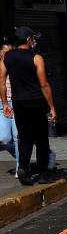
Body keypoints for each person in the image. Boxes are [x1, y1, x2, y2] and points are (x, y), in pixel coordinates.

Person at [0, 27, 56, 186]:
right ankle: (43, 173)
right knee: (41, 139)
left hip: (19, 103)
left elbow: (2, 82)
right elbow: (44, 84)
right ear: (28, 40)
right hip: (36, 102)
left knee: (24, 138)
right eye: (33, 38)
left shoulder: (7, 57)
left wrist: (5, 103)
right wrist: (52, 107)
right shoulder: (36, 58)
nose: (34, 41)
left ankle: (23, 169)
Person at [0, 37, 18, 171]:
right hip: (1, 106)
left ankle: (21, 165)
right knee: (4, 139)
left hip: (16, 103)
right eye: (5, 52)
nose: (8, 55)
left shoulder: (16, 67)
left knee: (18, 137)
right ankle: (23, 158)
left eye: (10, 52)